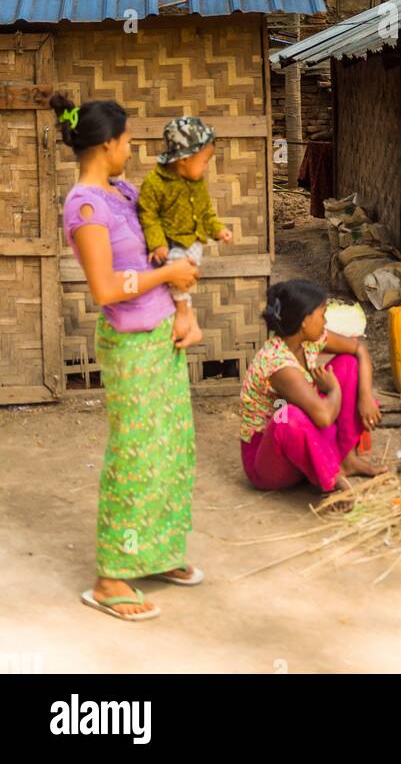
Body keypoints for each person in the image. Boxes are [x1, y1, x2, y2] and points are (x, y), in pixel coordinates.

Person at [52, 93, 203, 623]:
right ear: (107, 144)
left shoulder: (123, 191)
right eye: (128, 140)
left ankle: (156, 551)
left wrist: (183, 308)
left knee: (172, 447)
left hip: (161, 332)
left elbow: (159, 248)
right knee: (136, 454)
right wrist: (167, 278)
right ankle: (112, 576)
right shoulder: (85, 206)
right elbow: (107, 288)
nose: (132, 148)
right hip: (130, 344)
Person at [240, 279, 382, 496]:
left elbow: (359, 349)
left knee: (348, 364)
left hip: (306, 443)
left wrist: (365, 398)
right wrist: (333, 390)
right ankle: (331, 476)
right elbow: (324, 417)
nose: (325, 321)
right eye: (322, 313)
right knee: (287, 417)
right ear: (304, 320)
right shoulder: (277, 364)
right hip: (271, 462)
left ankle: (347, 460)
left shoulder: (309, 340)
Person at [137, 116, 233, 333]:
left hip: (194, 242)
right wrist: (157, 244)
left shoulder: (196, 182)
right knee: (177, 274)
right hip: (173, 242)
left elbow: (206, 212)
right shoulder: (155, 183)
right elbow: (148, 216)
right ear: (184, 159)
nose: (206, 166)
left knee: (184, 279)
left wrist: (219, 230)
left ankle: (182, 307)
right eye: (205, 160)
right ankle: (183, 312)